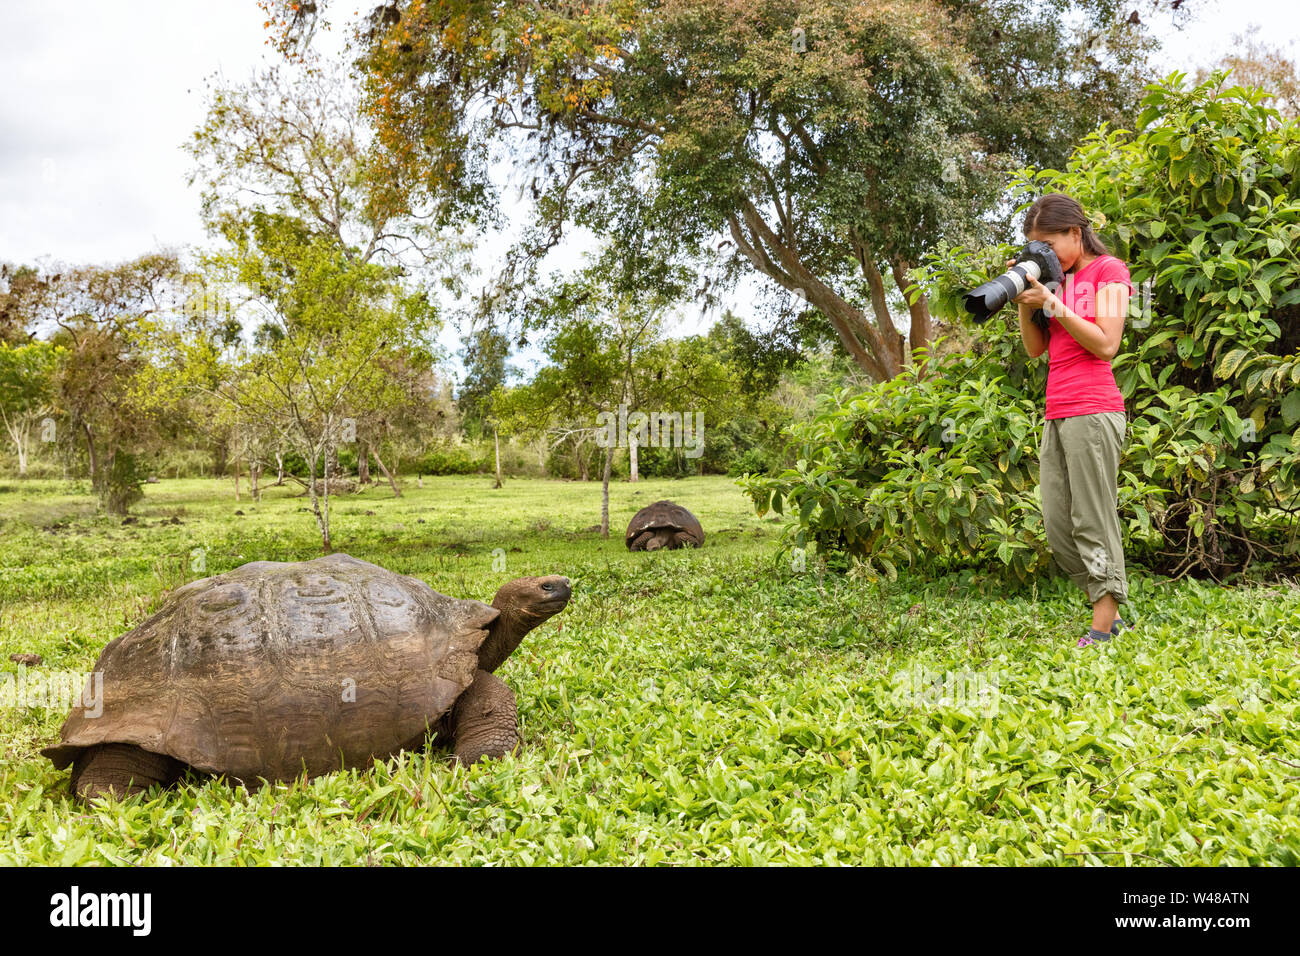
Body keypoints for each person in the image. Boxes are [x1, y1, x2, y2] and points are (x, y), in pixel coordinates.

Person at [1009, 193, 1134, 648]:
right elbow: (1035, 350)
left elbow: (1106, 344)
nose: (1039, 253)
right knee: (1059, 526)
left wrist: (1056, 304)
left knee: (1092, 520)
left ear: (1075, 234)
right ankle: (1109, 598)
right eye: (1032, 246)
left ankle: (1103, 625)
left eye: (1046, 244)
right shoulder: (1052, 279)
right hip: (1057, 411)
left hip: (1095, 409)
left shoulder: (1110, 272)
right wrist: (1028, 301)